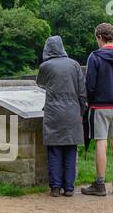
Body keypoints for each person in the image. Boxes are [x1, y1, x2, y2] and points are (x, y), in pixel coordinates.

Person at [81, 22, 113, 197]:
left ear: (100, 37)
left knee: (101, 142)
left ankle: (100, 184)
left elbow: (90, 85)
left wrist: (91, 102)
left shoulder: (94, 57)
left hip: (100, 106)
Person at [36, 35, 86, 197]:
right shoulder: (75, 65)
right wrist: (81, 111)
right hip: (72, 111)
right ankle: (69, 188)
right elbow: (82, 92)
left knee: (54, 149)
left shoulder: (46, 66)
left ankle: (55, 187)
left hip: (53, 112)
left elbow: (41, 84)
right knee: (70, 149)